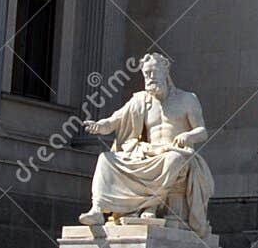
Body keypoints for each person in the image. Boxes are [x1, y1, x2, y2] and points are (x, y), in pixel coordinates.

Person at [80, 52, 214, 237]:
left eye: (152, 73)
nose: (149, 78)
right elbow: (113, 121)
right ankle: (97, 209)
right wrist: (99, 126)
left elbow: (202, 132)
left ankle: (150, 205)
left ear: (165, 72)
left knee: (172, 160)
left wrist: (187, 135)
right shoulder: (141, 100)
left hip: (175, 152)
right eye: (146, 74)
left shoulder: (187, 99)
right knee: (106, 159)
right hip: (146, 152)